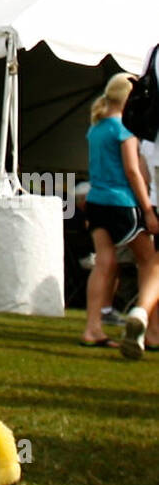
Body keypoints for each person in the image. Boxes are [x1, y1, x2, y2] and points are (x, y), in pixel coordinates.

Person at [82, 73, 159, 355]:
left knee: (104, 263)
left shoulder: (97, 127)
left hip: (97, 201)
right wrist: (148, 209)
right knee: (151, 264)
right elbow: (132, 170)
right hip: (122, 203)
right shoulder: (124, 129)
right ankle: (150, 328)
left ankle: (92, 327)